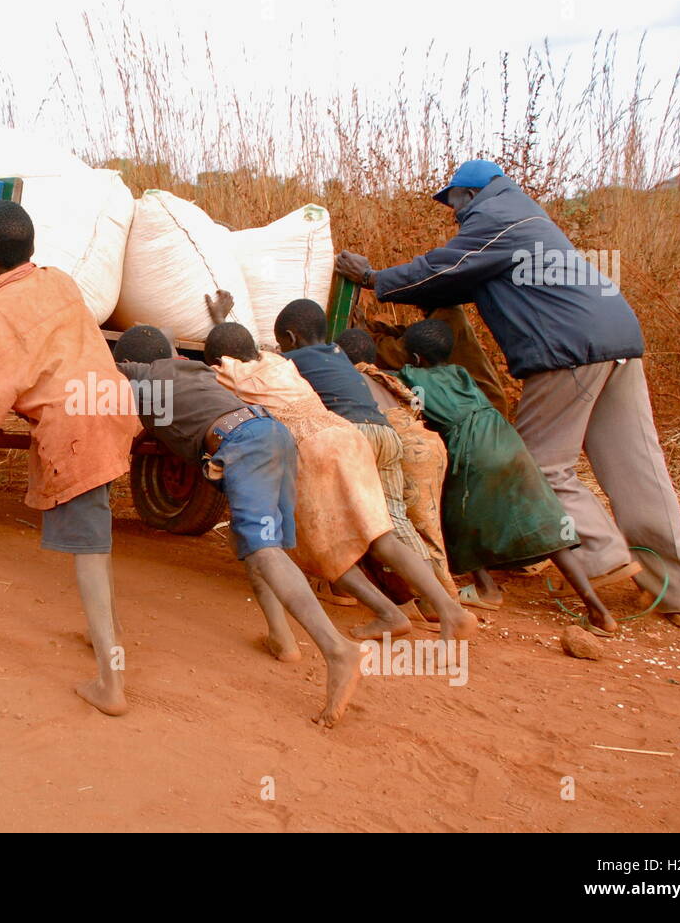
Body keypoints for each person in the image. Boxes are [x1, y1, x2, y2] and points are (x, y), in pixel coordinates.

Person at [335, 158, 680, 628]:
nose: (453, 214)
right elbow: (461, 280)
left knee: (535, 465)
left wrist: (373, 279)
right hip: (618, 341)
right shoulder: (530, 216)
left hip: (569, 351)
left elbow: (446, 267)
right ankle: (678, 591)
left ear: (469, 193)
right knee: (639, 466)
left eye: (453, 203)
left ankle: (603, 556)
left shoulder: (497, 219)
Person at [0, 201, 138, 715]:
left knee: (89, 547)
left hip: (74, 428)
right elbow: (38, 358)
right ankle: (105, 635)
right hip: (110, 406)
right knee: (97, 532)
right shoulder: (58, 281)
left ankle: (111, 684)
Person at [112, 325, 363, 727]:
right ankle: (282, 639)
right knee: (255, 543)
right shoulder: (193, 372)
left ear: (130, 360)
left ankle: (337, 649)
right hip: (273, 433)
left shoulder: (140, 375)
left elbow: (89, 380)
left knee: (263, 549)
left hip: (243, 442)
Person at [203, 321, 478, 642]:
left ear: (219, 359)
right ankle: (450, 610)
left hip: (312, 448)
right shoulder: (279, 362)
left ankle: (389, 614)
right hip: (347, 435)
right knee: (380, 535)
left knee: (325, 553)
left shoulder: (227, 374)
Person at [398, 319, 617, 634]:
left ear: (415, 358)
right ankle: (597, 609)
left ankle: (486, 589)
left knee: (456, 518)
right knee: (546, 524)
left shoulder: (410, 376)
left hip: (472, 447)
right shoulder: (462, 373)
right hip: (507, 440)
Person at [271, 299, 439, 580]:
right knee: (394, 518)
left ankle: (340, 585)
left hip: (353, 436)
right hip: (385, 433)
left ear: (290, 338)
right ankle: (431, 597)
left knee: (338, 513)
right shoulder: (337, 353)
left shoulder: (292, 361)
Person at [336, 327, 461, 604]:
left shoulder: (345, 378)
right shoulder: (383, 377)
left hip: (404, 450)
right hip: (428, 443)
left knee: (409, 526)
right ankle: (436, 600)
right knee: (426, 527)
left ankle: (438, 604)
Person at [360, 305, 509, 415]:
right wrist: (369, 327)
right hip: (471, 403)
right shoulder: (442, 311)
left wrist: (361, 336)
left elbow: (398, 355)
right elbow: (407, 335)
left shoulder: (448, 315)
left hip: (480, 408)